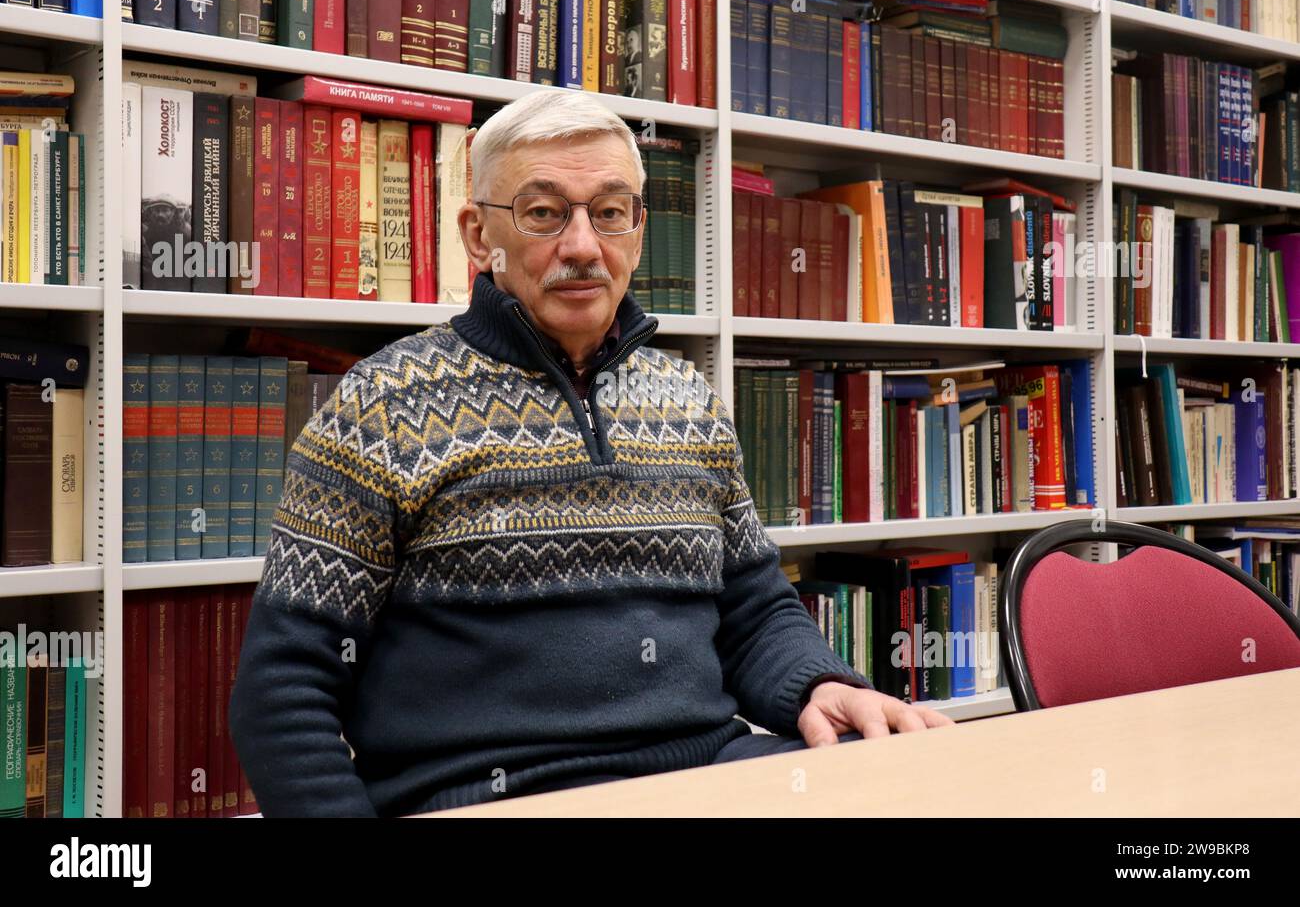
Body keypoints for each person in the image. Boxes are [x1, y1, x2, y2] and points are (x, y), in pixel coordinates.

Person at [228, 89, 953, 817]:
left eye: (609, 212)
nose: (582, 246)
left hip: (708, 774)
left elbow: (753, 610)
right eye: (544, 213)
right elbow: (283, 692)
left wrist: (818, 686)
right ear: (479, 237)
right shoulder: (381, 406)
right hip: (493, 793)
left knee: (921, 789)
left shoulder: (688, 397)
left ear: (637, 232)